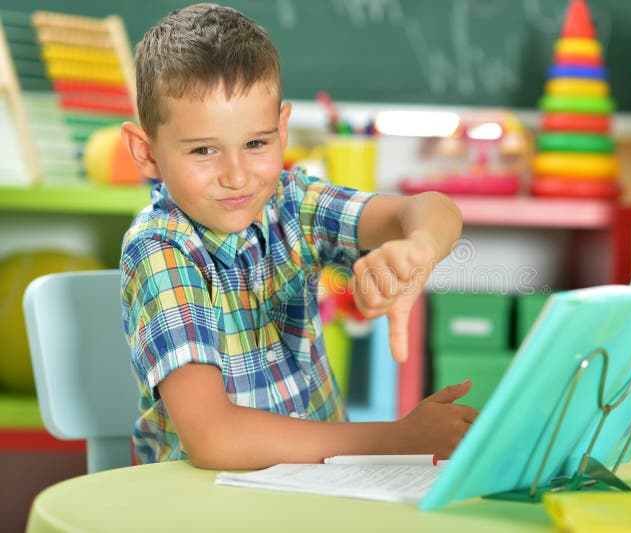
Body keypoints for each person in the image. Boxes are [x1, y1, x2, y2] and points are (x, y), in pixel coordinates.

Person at [119, 3, 476, 469]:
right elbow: (214, 438)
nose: (236, 175)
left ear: (282, 131)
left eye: (256, 143)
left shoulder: (290, 202)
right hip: (204, 503)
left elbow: (430, 209)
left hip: (316, 489)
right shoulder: (161, 248)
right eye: (204, 150)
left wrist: (419, 246)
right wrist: (397, 438)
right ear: (146, 153)